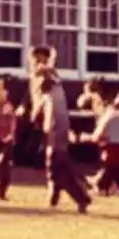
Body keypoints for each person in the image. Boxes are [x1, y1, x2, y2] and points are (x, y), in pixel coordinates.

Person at [31, 66, 91, 214]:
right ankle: (55, 197)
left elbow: (39, 115)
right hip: (61, 135)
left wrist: (35, 118)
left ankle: (81, 198)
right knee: (61, 167)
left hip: (54, 136)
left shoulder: (48, 95)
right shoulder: (59, 92)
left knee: (56, 171)